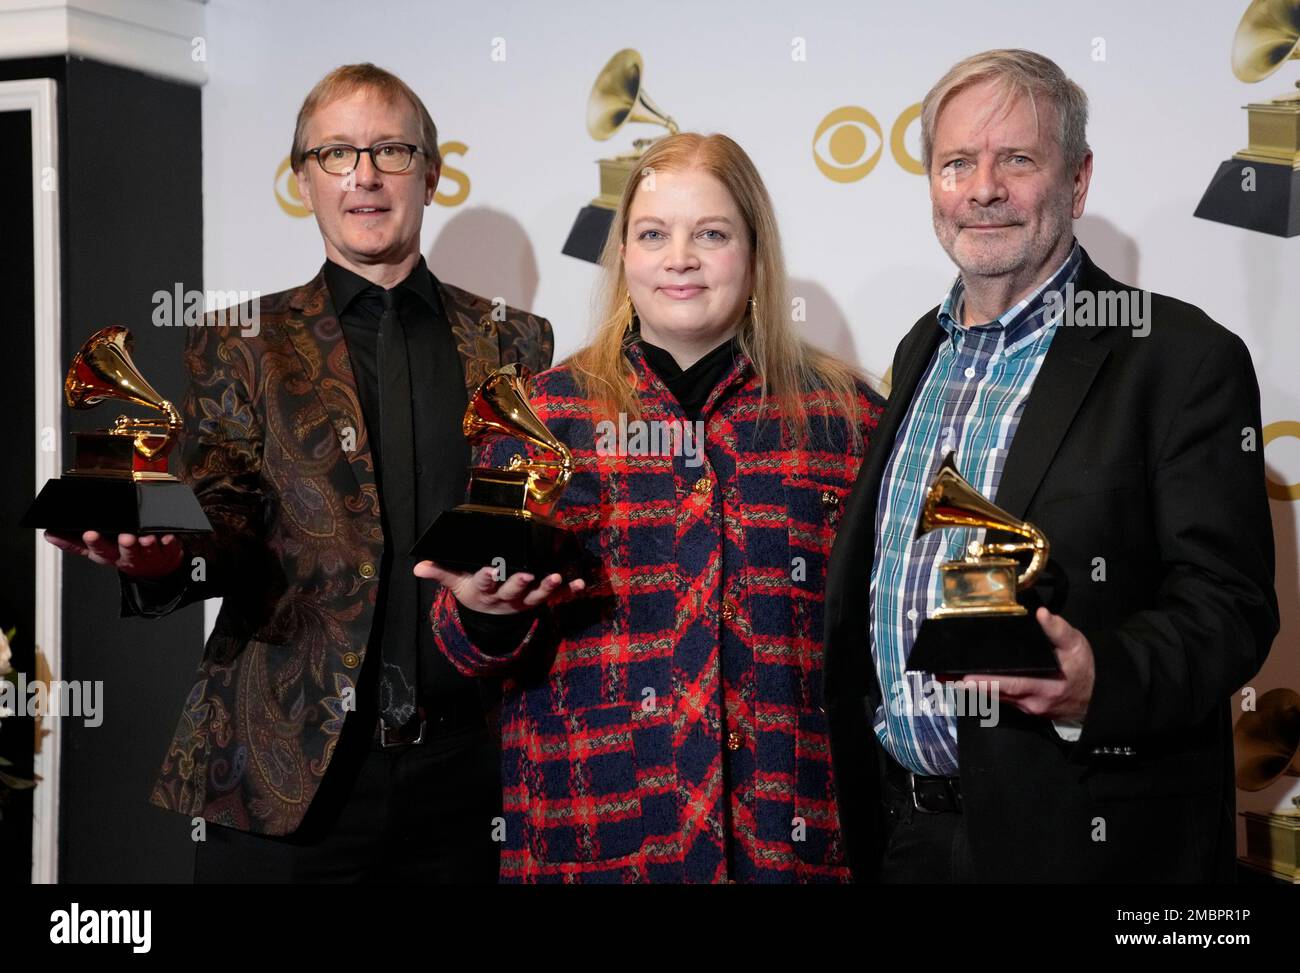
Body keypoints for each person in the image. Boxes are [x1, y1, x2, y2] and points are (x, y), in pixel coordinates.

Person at [43, 63, 554, 882]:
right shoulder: (237, 341)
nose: (364, 175)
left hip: (471, 772)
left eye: (390, 149)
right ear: (302, 178)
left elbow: (524, 522)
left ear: (431, 171)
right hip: (287, 769)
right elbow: (225, 517)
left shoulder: (516, 342)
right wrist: (173, 560)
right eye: (336, 153)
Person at [822, 49, 1278, 883]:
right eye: (957, 162)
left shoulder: (1179, 358)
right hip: (905, 836)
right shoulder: (918, 349)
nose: (983, 188)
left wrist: (1098, 679)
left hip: (1085, 845)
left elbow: (1232, 607)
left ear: (1077, 181)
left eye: (1017, 160)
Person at [418, 132, 884, 883]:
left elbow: (880, 643)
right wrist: (482, 610)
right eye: (653, 234)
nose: (680, 258)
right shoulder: (541, 416)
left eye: (711, 234)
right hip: (592, 841)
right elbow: (461, 640)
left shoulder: (846, 420)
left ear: (756, 254)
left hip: (794, 846)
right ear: (624, 256)